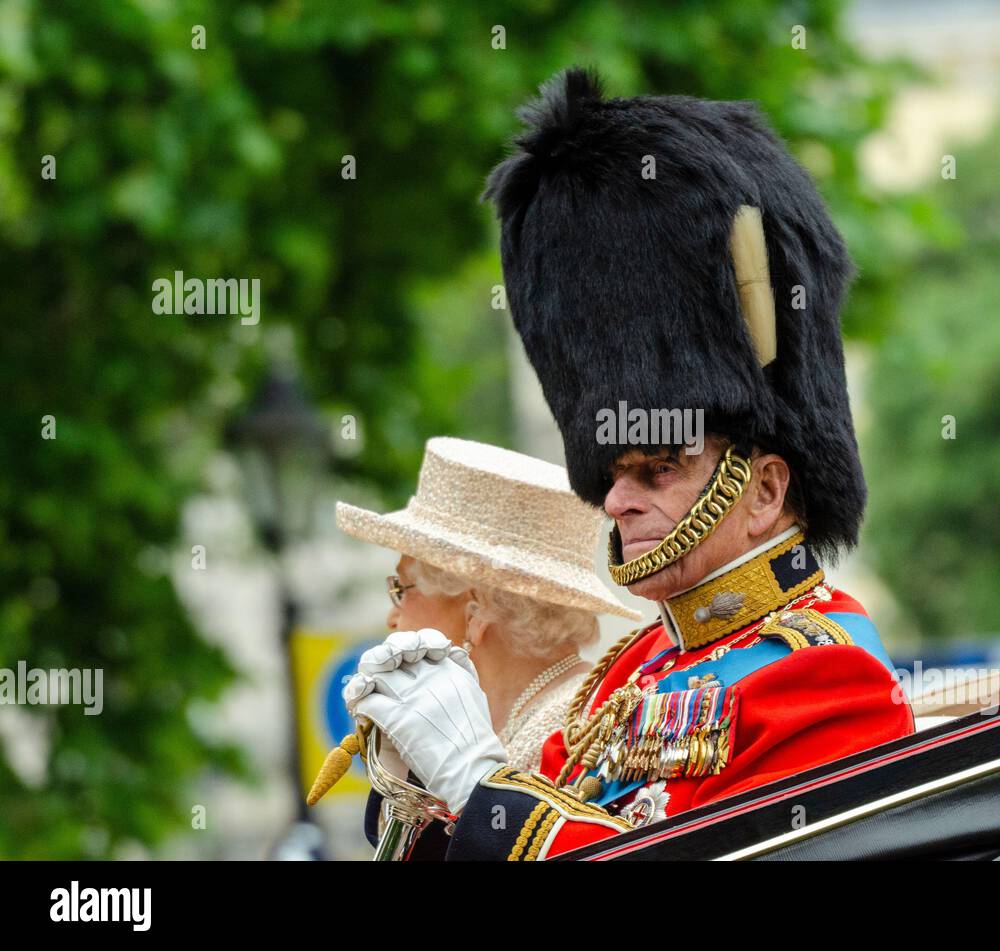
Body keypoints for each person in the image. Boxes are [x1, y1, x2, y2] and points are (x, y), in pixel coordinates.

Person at [343, 67, 915, 860]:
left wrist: (480, 781)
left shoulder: (825, 676)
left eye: (657, 470)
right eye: (614, 472)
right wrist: (419, 791)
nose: (615, 500)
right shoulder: (634, 665)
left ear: (765, 487)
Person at [333, 436, 639, 815]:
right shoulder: (502, 721)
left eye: (401, 589)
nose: (392, 616)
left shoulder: (575, 727)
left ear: (477, 611)